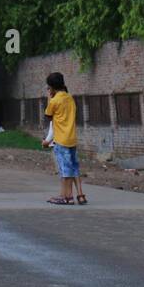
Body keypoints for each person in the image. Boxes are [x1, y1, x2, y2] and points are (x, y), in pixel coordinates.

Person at [42, 72, 85, 205]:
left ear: (52, 87)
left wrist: (50, 98)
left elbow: (48, 116)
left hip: (61, 140)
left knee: (64, 169)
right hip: (72, 138)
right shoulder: (70, 98)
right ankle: (73, 195)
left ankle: (66, 197)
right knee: (73, 167)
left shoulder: (55, 100)